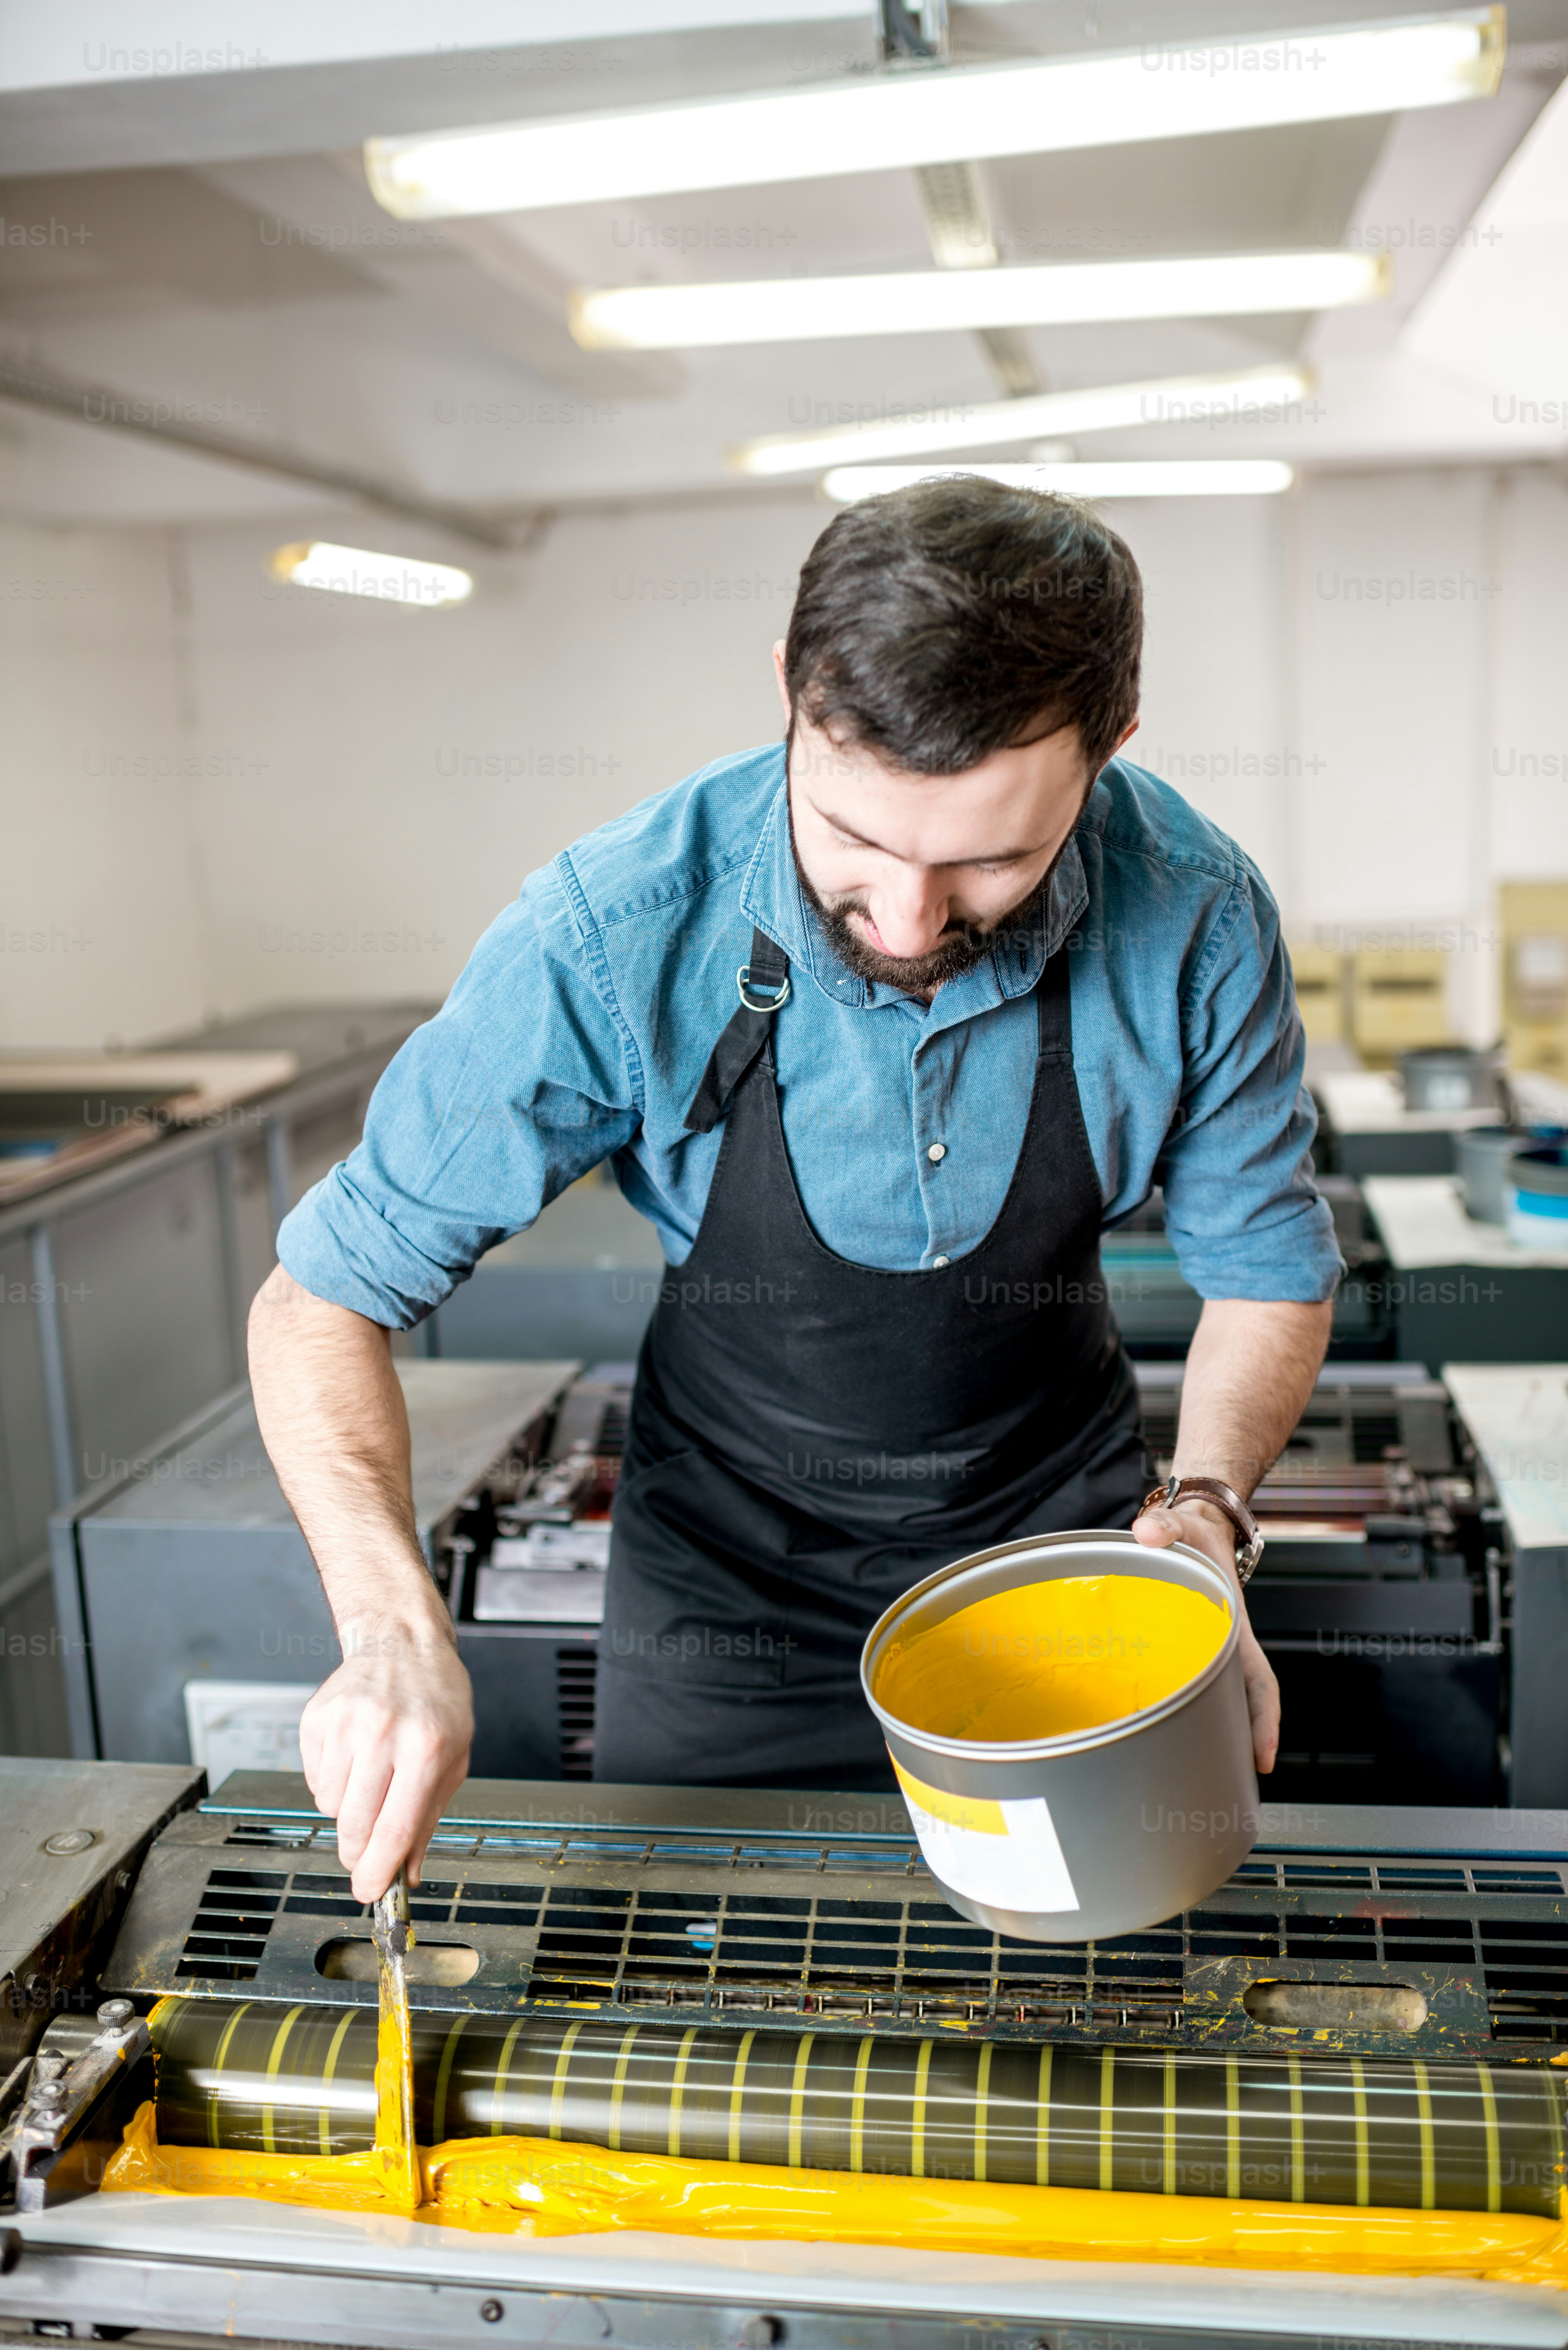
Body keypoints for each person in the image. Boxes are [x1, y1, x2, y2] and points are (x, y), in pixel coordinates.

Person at [249, 478, 1341, 1902]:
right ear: (792, 695)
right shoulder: (617, 930)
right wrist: (391, 1628)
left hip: (1059, 1576)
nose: (905, 922)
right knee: (711, 2012)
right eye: (855, 841)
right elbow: (317, 1299)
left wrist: (1204, 1516)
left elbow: (1265, 1268)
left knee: (1094, 2006)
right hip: (727, 1604)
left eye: (992, 861)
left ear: (1109, 747)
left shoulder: (1192, 913)